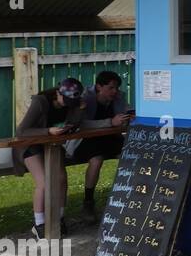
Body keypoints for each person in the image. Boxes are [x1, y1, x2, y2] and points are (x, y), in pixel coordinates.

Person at [13, 77, 85, 239]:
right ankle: (39, 224)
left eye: (71, 103)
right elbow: (21, 132)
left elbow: (74, 124)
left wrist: (79, 110)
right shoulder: (40, 102)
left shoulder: (72, 104)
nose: (67, 104)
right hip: (30, 145)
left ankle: (59, 218)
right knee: (43, 183)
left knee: (61, 178)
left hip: (52, 145)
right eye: (65, 100)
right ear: (57, 93)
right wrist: (47, 131)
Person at [69, 70, 133, 219]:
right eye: (111, 88)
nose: (115, 91)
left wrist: (128, 118)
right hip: (85, 141)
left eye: (116, 88)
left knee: (131, 155)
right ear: (99, 87)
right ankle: (88, 202)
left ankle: (128, 197)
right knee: (96, 160)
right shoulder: (85, 99)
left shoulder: (119, 98)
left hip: (110, 138)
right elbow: (80, 124)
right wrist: (110, 122)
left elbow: (126, 112)